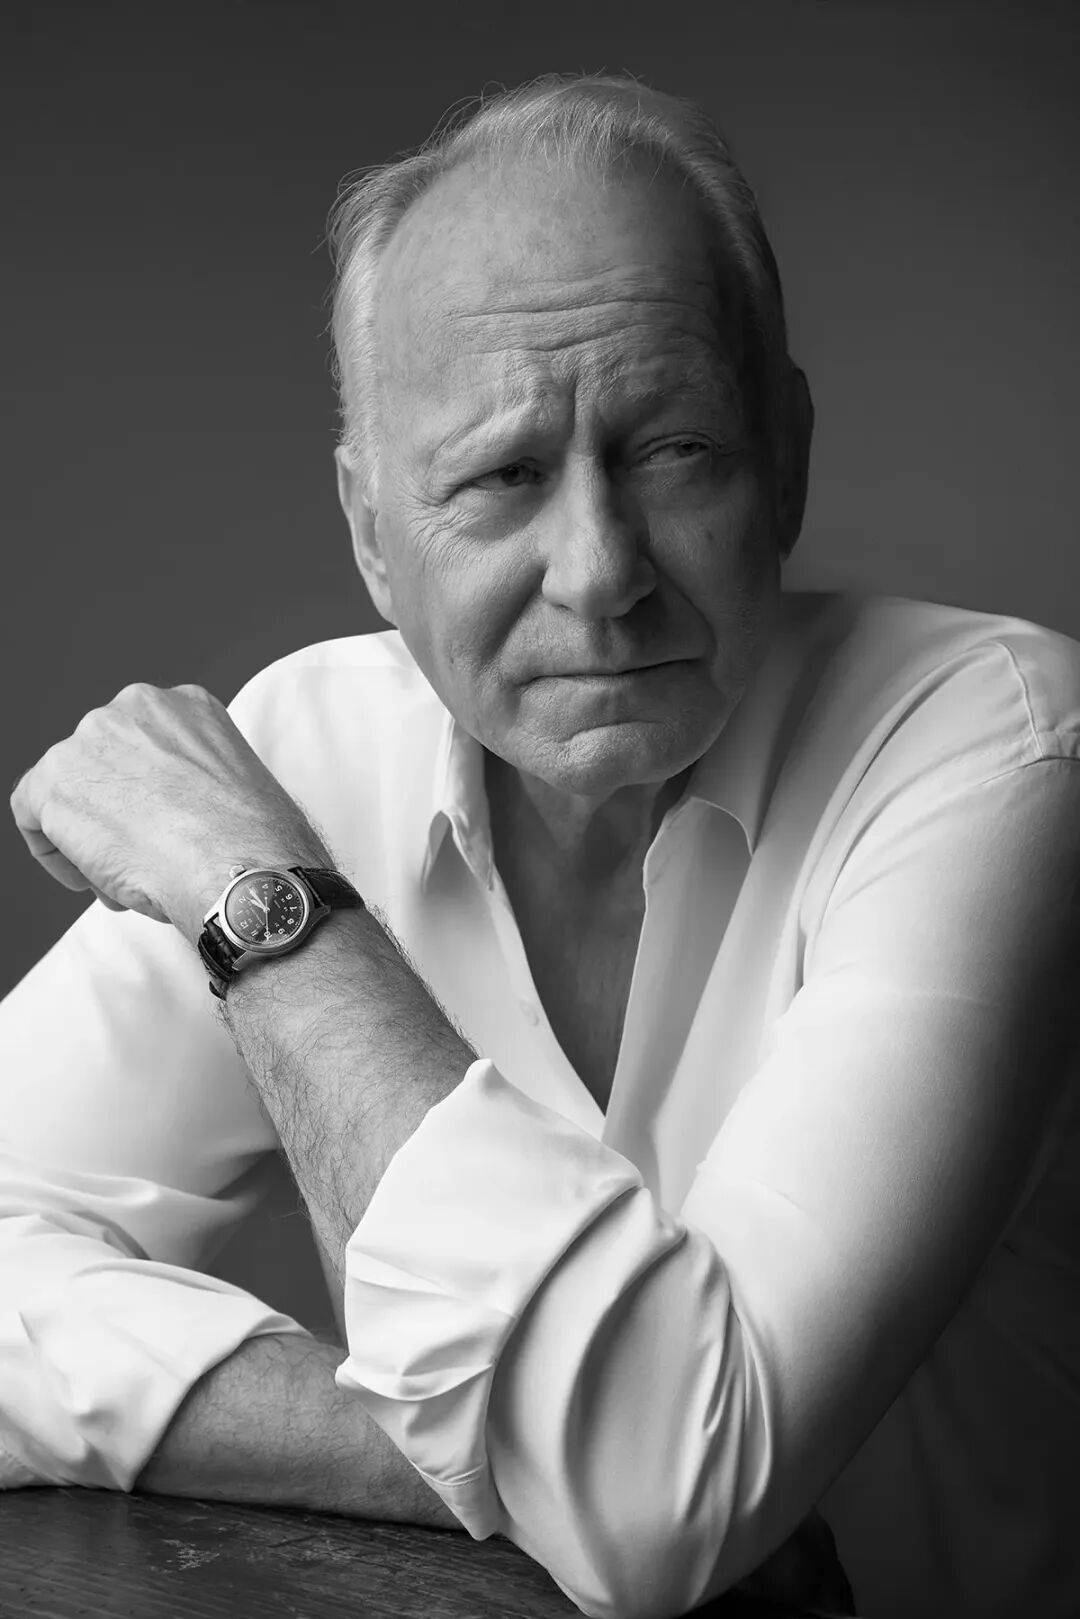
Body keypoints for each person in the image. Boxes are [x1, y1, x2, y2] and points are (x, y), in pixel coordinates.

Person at [3, 72, 1079, 1619]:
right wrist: (427, 1457)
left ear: (786, 453)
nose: (599, 572)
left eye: (674, 449)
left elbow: (660, 1503)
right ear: (371, 532)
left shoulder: (1003, 747)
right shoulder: (307, 747)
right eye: (503, 477)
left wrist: (271, 907)